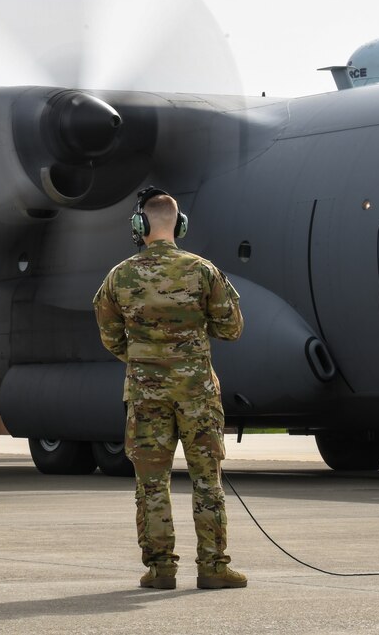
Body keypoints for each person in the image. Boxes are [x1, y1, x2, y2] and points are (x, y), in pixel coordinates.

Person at [93, 187, 246, 590]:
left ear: (139, 225)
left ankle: (161, 570)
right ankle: (213, 568)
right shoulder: (202, 271)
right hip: (197, 393)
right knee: (206, 481)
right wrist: (191, 348)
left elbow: (110, 337)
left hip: (145, 394)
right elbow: (231, 328)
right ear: (179, 224)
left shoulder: (119, 276)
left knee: (151, 483)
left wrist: (146, 359)